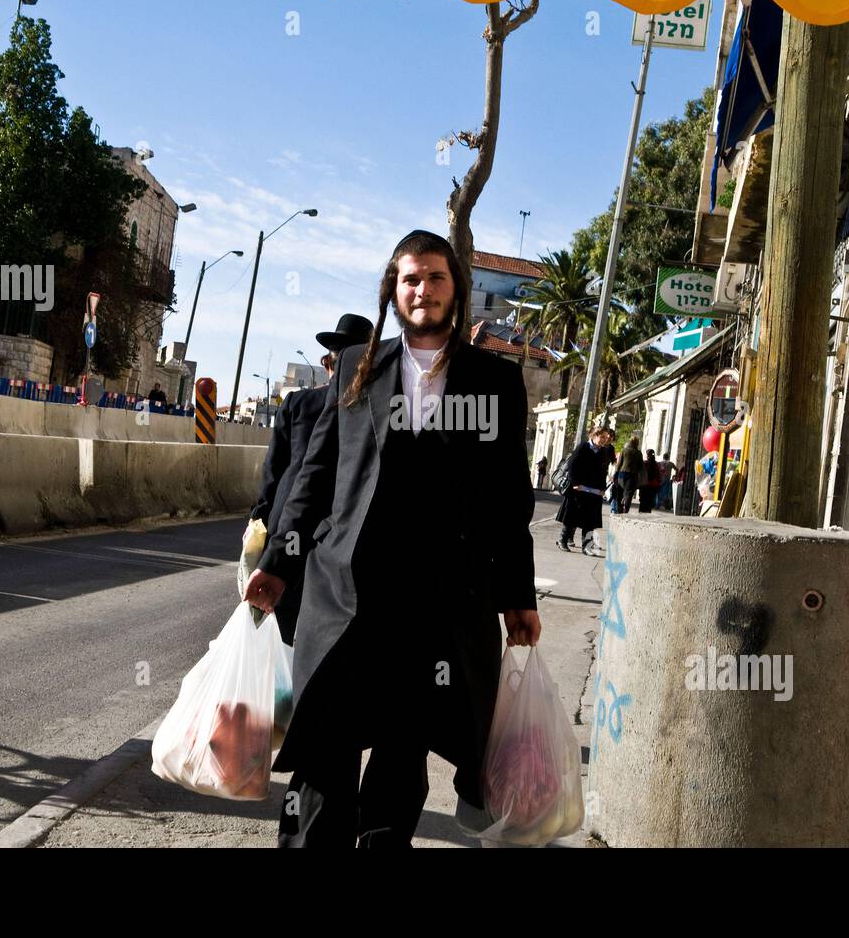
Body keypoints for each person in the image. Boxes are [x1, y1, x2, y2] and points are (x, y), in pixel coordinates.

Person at [243, 229, 540, 848]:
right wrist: (277, 562)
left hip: (433, 608)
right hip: (345, 598)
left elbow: (510, 501)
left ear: (455, 290)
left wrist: (518, 595)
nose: (422, 290)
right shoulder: (359, 367)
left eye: (435, 277)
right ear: (392, 290)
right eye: (410, 279)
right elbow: (315, 476)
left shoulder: (495, 381)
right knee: (324, 750)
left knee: (402, 763)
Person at [248, 312, 374, 645]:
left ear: (326, 361)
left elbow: (272, 473)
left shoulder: (297, 402)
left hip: (284, 528)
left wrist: (259, 521)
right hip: (333, 539)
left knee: (277, 631)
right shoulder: (369, 410)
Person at [555, 426, 613, 554]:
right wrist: (575, 483)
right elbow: (572, 465)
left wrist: (603, 488)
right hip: (579, 489)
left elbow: (603, 471)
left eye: (605, 437)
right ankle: (562, 540)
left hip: (594, 491)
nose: (604, 439)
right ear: (594, 436)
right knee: (571, 517)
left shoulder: (603, 451)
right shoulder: (583, 447)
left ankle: (587, 547)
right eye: (602, 437)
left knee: (590, 521)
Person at [616, 436, 643, 514]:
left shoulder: (624, 450)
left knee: (620, 492)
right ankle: (626, 510)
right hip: (633, 475)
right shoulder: (638, 453)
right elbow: (640, 466)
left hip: (622, 474)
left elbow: (619, 464)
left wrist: (616, 474)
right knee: (629, 493)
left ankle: (619, 510)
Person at [639, 449, 660, 514]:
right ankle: (648, 512)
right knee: (650, 500)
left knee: (643, 500)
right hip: (653, 485)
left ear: (647, 455)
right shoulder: (656, 464)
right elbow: (658, 475)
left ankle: (641, 512)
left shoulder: (645, 463)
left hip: (645, 484)